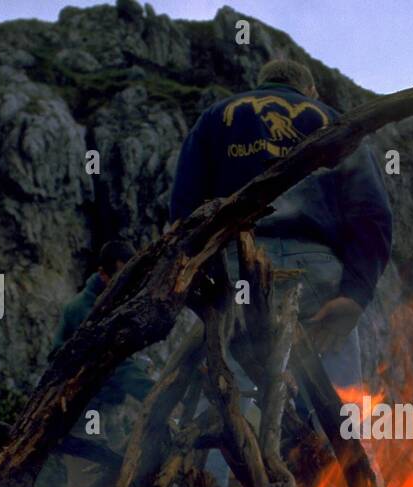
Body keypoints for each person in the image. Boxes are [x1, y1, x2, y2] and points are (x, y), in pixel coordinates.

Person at [168, 59, 393, 388]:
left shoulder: (216, 117)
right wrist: (354, 294)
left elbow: (183, 212)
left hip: (237, 266)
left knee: (234, 396)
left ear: (262, 83)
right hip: (318, 272)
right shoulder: (333, 121)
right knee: (335, 401)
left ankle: (239, 435)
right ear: (310, 91)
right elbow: (372, 213)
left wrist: (200, 282)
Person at [51, 239, 153, 487]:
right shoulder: (83, 310)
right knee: (84, 481)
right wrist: (155, 394)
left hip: (109, 410)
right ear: (103, 274)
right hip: (84, 409)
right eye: (119, 276)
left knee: (114, 477)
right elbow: (115, 364)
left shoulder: (120, 304)